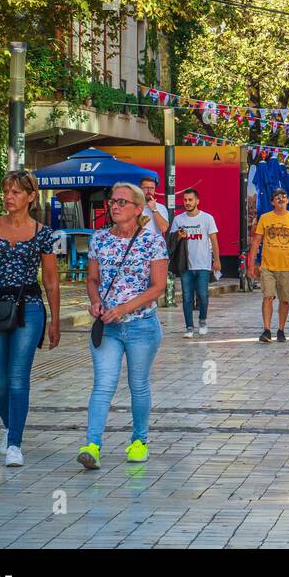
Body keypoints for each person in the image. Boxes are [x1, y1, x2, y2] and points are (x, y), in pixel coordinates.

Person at [0, 172, 62, 467]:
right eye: (6, 191)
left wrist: (55, 320)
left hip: (28, 308)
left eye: (16, 192)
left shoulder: (44, 233)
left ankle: (15, 443)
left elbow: (52, 281)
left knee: (18, 377)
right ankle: (9, 425)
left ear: (31, 197)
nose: (9, 197)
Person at [77, 182, 168, 469]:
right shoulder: (100, 239)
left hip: (141, 325)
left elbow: (158, 287)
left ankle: (139, 441)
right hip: (108, 327)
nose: (114, 206)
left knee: (138, 385)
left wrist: (124, 309)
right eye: (112, 201)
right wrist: (95, 301)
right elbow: (92, 279)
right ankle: (92, 445)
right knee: (103, 385)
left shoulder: (152, 241)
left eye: (122, 202)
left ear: (138, 209)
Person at [249, 187, 289, 343]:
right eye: (277, 197)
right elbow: (256, 241)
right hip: (268, 266)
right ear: (272, 202)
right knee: (268, 296)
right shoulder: (265, 218)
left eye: (283, 196)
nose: (280, 199)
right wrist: (251, 264)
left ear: (287, 200)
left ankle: (281, 329)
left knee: (284, 300)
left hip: (287, 266)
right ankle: (266, 330)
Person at [169, 187, 220, 339]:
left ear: (197, 201)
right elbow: (172, 241)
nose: (187, 203)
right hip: (185, 265)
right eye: (185, 200)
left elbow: (214, 240)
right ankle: (189, 327)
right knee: (186, 297)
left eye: (190, 200)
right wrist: (178, 236)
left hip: (203, 264)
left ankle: (202, 322)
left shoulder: (207, 218)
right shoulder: (178, 219)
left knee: (203, 296)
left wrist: (216, 260)